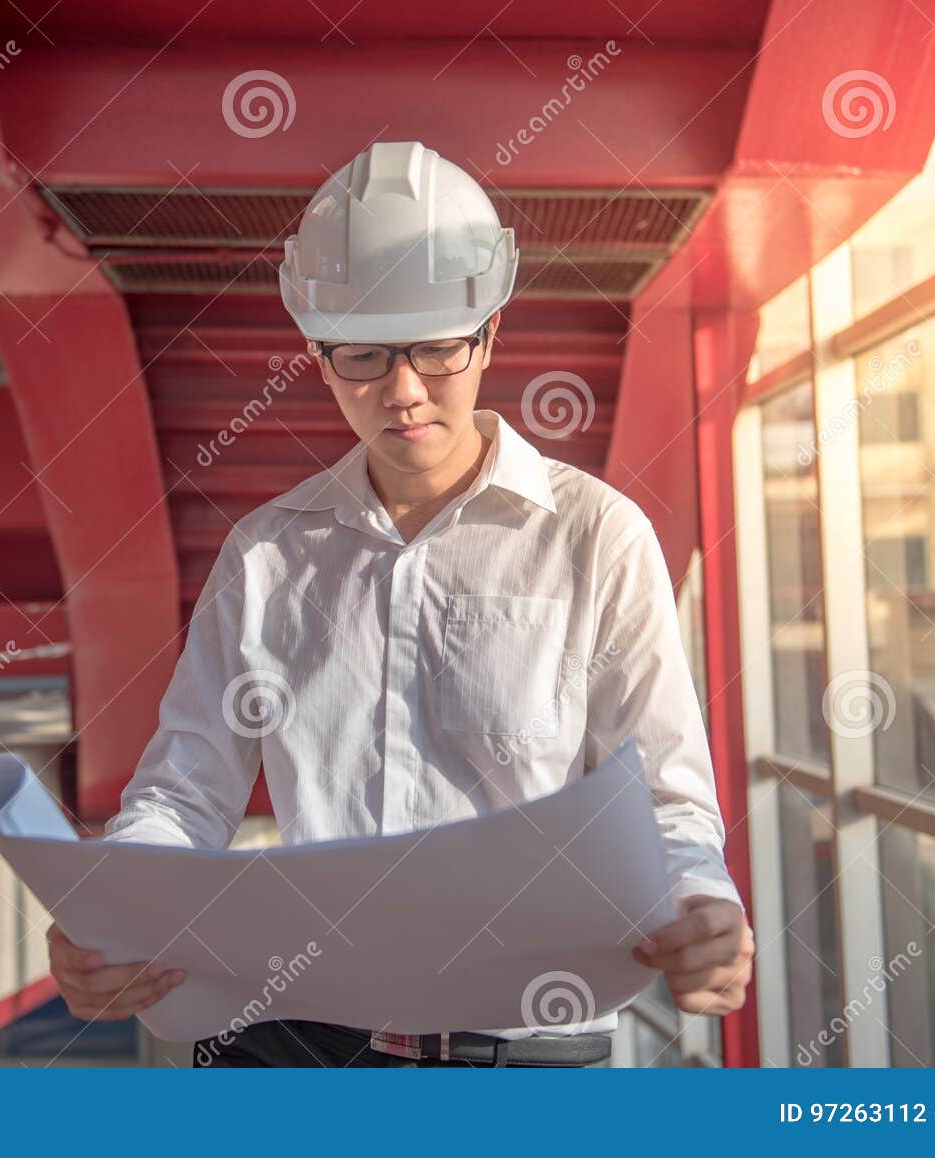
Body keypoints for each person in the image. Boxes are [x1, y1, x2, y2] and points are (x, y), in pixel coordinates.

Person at [45, 140, 753, 1067]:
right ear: (319, 355)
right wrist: (119, 911)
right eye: (366, 355)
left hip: (523, 1063)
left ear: (490, 333)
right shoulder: (267, 553)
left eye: (436, 348)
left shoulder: (595, 538)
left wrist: (703, 901)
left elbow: (669, 801)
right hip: (296, 1047)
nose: (404, 391)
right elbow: (185, 791)